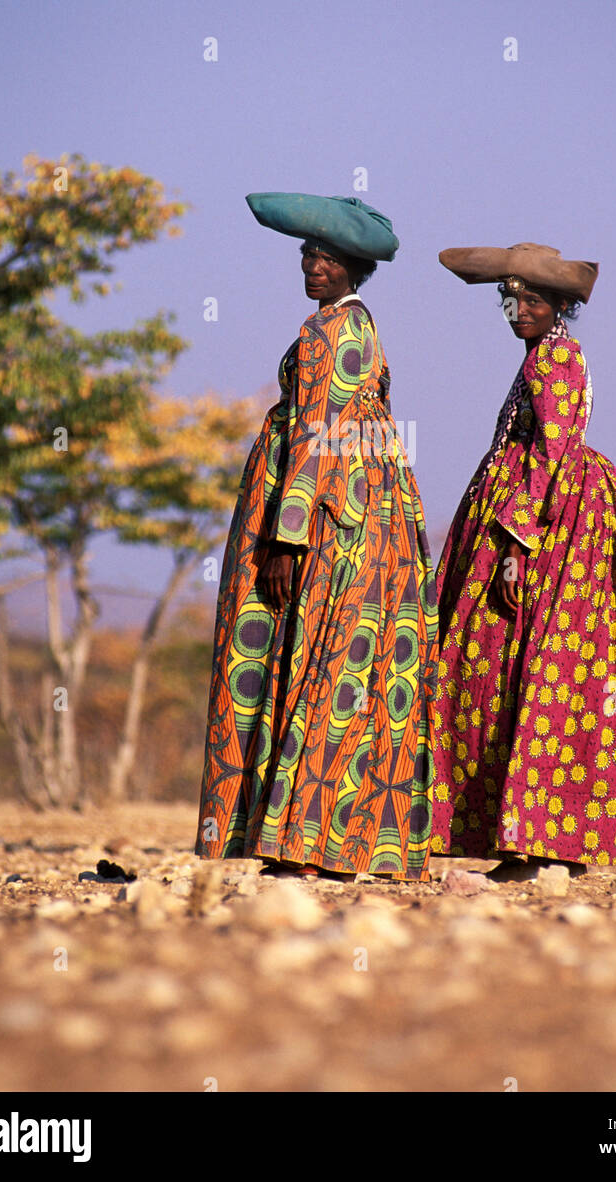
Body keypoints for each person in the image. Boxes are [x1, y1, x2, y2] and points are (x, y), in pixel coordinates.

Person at [195, 193, 438, 882]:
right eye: (307, 253)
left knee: (320, 664)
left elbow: (316, 436)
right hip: (369, 514)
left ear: (354, 266)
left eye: (328, 257)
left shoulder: (327, 333)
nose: (313, 265)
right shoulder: (356, 328)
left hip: (331, 520)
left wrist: (286, 537)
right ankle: (333, 841)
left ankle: (301, 846)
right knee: (349, 672)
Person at [430, 242, 616, 873]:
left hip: (549, 531)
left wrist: (516, 549)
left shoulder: (556, 358)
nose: (516, 308)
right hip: (539, 519)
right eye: (509, 296)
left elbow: (552, 454)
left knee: (528, 669)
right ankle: (538, 840)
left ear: (559, 306)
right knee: (512, 672)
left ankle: (537, 844)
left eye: (530, 298)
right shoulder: (542, 356)